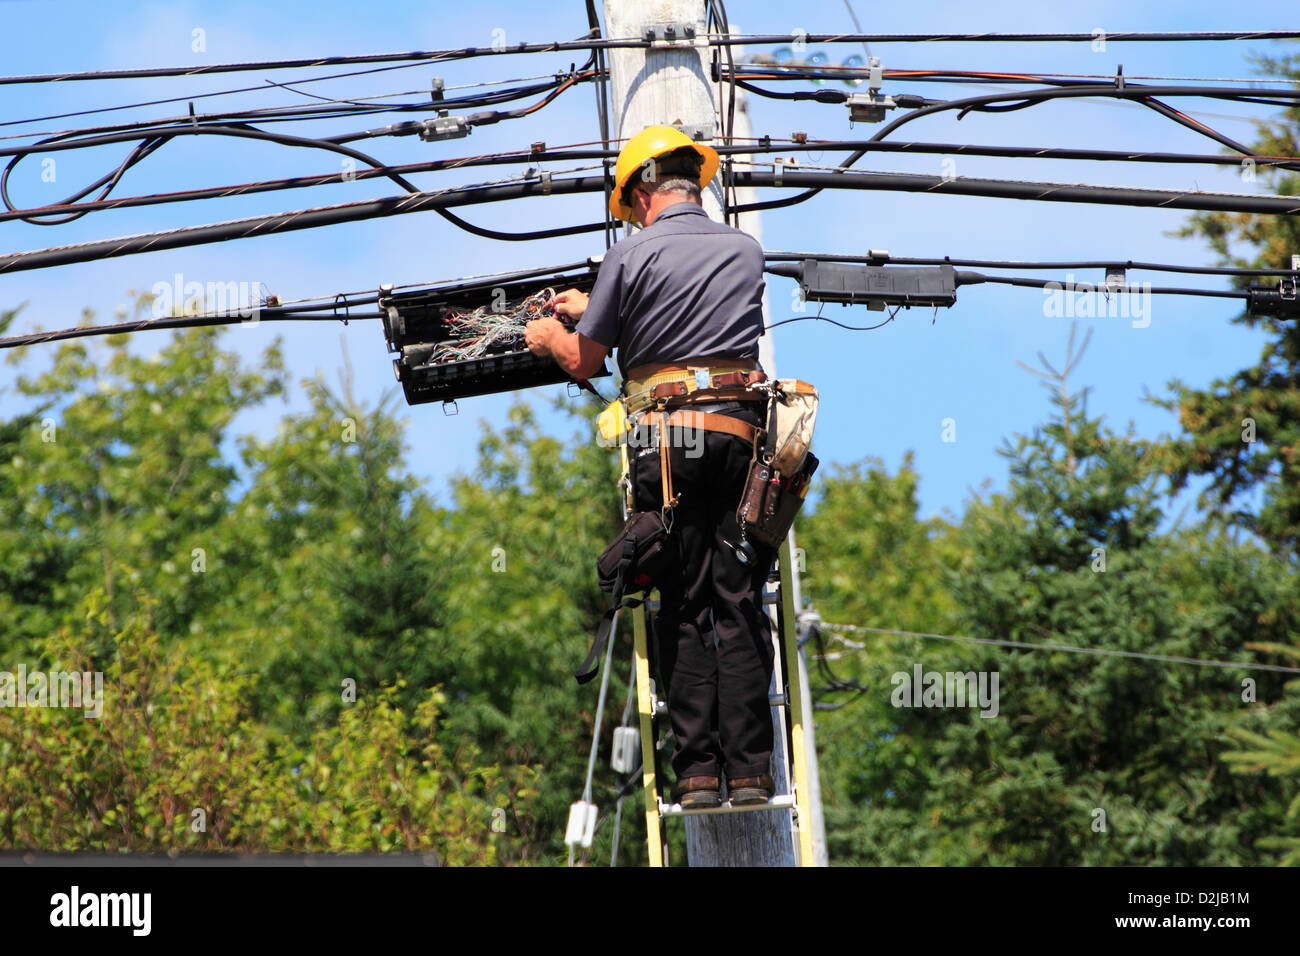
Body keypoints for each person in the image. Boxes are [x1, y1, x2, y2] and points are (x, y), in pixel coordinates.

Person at [525, 125, 777, 809]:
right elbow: (691, 325)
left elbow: (584, 360)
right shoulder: (745, 251)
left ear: (640, 191)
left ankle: (697, 774)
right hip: (739, 437)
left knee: (685, 603)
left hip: (671, 448)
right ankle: (752, 772)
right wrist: (600, 305)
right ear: (695, 183)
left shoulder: (627, 259)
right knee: (737, 598)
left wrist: (554, 332)